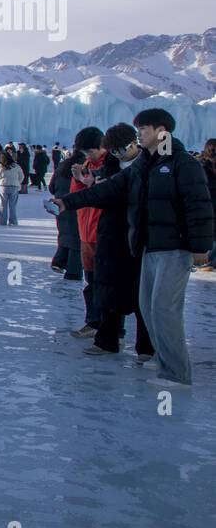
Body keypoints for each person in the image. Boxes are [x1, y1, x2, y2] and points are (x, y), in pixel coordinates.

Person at [55, 109, 214, 388]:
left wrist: (200, 246)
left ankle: (175, 374)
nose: (138, 133)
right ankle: (162, 362)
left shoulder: (181, 163)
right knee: (149, 308)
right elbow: (109, 189)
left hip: (174, 248)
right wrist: (69, 201)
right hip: (147, 247)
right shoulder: (144, 165)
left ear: (161, 130)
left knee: (164, 309)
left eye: (143, 128)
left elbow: (198, 204)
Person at [80, 124, 154, 359]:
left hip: (141, 236)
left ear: (134, 142)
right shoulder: (110, 167)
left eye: (122, 149)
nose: (119, 154)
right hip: (112, 234)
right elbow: (103, 197)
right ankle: (107, 340)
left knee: (142, 293)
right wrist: (93, 186)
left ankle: (146, 347)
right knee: (108, 289)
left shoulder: (150, 164)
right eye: (113, 151)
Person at [67, 127, 107, 338]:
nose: (88, 156)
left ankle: (110, 328)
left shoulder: (110, 166)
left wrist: (89, 182)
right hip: (86, 231)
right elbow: (76, 196)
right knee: (90, 281)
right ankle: (92, 322)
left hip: (104, 231)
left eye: (91, 151)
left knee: (106, 282)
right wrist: (77, 179)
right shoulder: (87, 165)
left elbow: (109, 193)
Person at [49, 140, 86, 280]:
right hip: (78, 207)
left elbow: (52, 187)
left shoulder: (62, 165)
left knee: (65, 233)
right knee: (77, 238)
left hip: (60, 205)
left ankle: (59, 261)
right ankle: (73, 271)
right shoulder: (85, 166)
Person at [198, 139, 216, 271]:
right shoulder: (202, 166)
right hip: (208, 207)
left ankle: (209, 262)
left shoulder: (201, 165)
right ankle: (208, 262)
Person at [0, 151, 23, 225]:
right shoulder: (16, 166)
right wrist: (18, 182)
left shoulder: (0, 166)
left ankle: (2, 221)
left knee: (2, 205)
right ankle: (13, 221)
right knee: (12, 206)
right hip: (14, 187)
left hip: (3, 186)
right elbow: (21, 176)